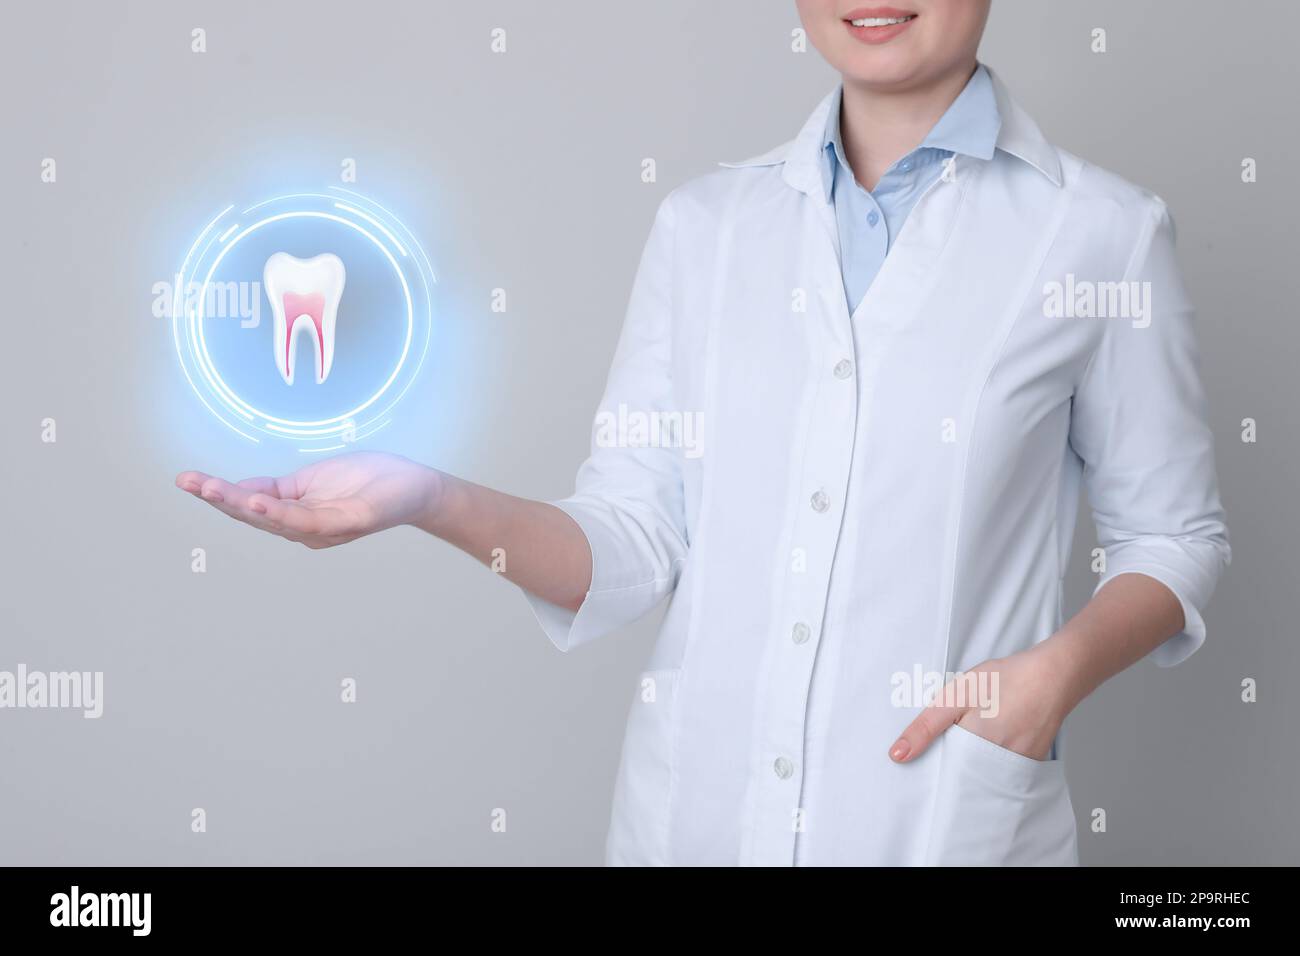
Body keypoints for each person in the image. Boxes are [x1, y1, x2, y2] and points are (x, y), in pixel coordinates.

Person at [176, 0, 1229, 866]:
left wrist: (1053, 674)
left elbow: (1173, 538)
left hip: (944, 830)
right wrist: (426, 496)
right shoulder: (705, 228)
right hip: (693, 826)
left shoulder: (1101, 235)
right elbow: (636, 538)